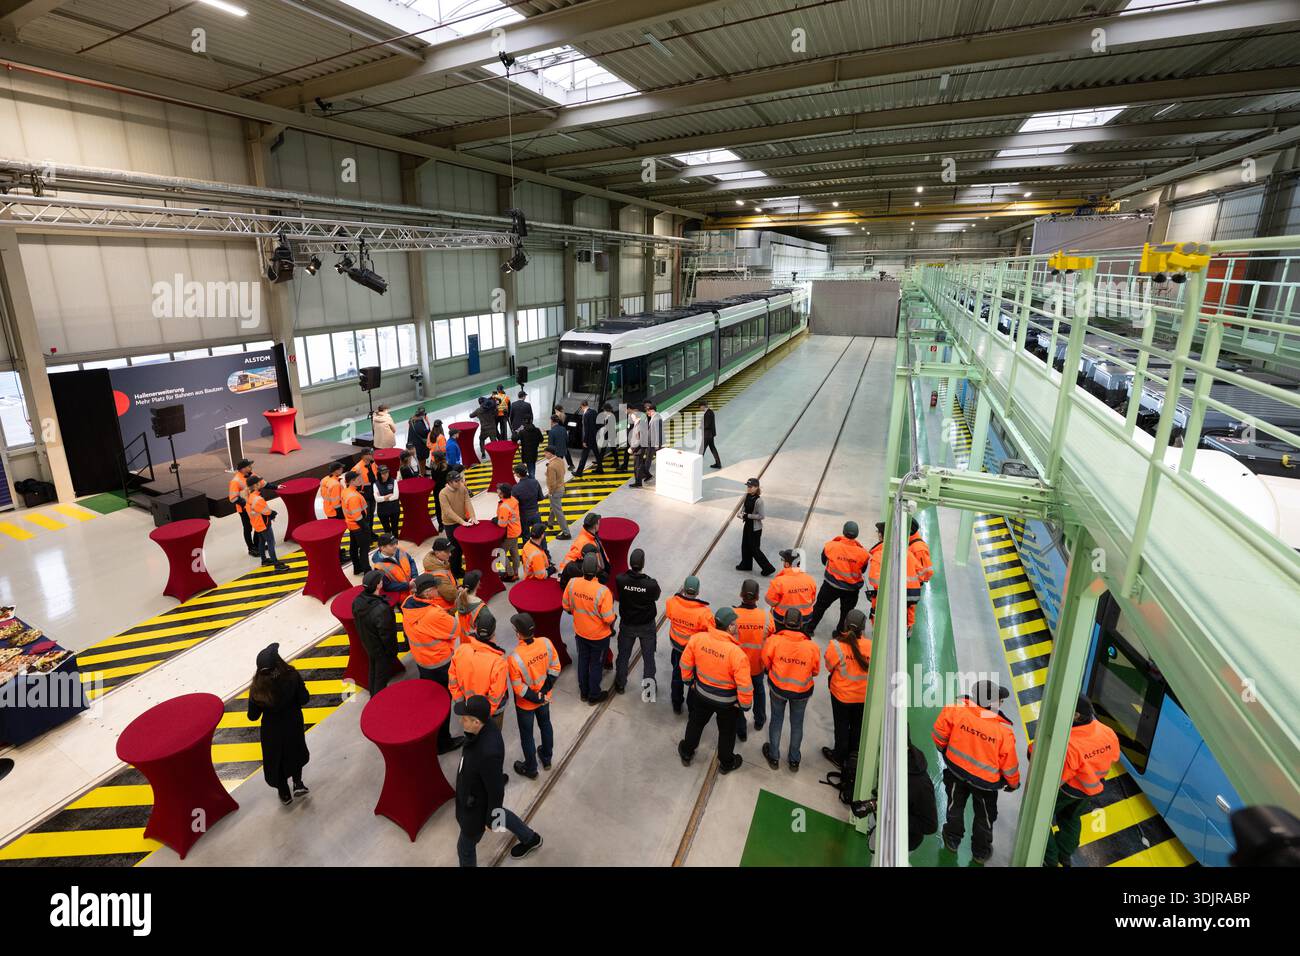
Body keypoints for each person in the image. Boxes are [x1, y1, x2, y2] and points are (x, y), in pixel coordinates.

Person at [932, 680, 1020, 864]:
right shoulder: (1003, 731)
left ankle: (952, 839)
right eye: (999, 700)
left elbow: (939, 734)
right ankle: (980, 851)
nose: (1001, 703)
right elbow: (1009, 765)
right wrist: (1013, 784)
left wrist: (946, 752)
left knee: (955, 806)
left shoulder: (956, 709)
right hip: (985, 785)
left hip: (956, 773)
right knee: (984, 817)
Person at [453, 694, 543, 866]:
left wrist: (490, 820)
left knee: (464, 849)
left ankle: (527, 836)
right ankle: (530, 838)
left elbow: (496, 790)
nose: (460, 722)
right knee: (501, 814)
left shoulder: (488, 752)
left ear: (476, 722)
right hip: (478, 797)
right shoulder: (483, 729)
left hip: (476, 809)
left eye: (465, 719)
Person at [1031, 695, 1120, 867]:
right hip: (1090, 789)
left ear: (1076, 716)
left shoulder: (1070, 744)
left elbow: (1058, 778)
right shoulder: (1107, 732)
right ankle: (1065, 854)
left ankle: (1049, 858)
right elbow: (1114, 756)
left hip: (1067, 790)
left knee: (1040, 818)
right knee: (1071, 818)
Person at [677, 607, 752, 774]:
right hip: (727, 703)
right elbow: (744, 684)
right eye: (734, 624)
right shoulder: (737, 654)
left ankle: (687, 751)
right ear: (730, 627)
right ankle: (726, 762)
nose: (736, 627)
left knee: (695, 723)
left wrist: (689, 681)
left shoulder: (698, 639)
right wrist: (744, 705)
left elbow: (685, 663)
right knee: (727, 733)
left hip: (701, 694)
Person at [403, 574, 464, 753]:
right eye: (435, 588)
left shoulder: (408, 604)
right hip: (440, 664)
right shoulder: (433, 614)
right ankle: (443, 742)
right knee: (444, 702)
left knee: (433, 702)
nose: (438, 590)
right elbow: (455, 629)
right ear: (429, 593)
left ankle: (433, 735)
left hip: (423, 662)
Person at [247, 643, 310, 805]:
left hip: (272, 731)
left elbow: (252, 716)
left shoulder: (257, 689)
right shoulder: (292, 676)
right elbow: (304, 699)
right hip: (293, 723)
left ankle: (284, 793)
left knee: (277, 760)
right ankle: (298, 783)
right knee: (295, 751)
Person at [760, 607, 820, 772]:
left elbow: (765, 661)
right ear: (801, 623)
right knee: (797, 724)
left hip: (778, 689)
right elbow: (815, 671)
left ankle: (773, 756)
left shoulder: (774, 641)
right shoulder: (811, 647)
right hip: (802, 692)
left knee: (777, 720)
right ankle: (794, 760)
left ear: (784, 622)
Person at [507, 612, 560, 779]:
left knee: (527, 735)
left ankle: (531, 768)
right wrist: (543, 693)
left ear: (518, 634)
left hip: (526, 705)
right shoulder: (546, 642)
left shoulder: (514, 657)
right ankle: (547, 757)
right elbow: (555, 668)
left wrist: (535, 697)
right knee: (545, 725)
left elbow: (518, 688)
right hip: (545, 699)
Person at [562, 553, 616, 703]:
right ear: (597, 569)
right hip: (599, 637)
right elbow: (608, 618)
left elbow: (566, 606)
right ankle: (594, 695)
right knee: (596, 665)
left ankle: (584, 692)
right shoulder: (602, 591)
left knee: (583, 661)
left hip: (580, 632)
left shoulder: (572, 583)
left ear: (583, 568)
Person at [822, 608, 871, 769]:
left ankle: (839, 756)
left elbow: (829, 666)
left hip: (841, 696)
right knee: (857, 726)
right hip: (862, 696)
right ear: (863, 628)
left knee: (842, 725)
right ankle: (853, 755)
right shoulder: (871, 647)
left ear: (844, 624)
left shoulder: (836, 646)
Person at [807, 521, 870, 636]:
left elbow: (823, 561)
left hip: (831, 585)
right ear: (856, 535)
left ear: (843, 532)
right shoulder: (863, 554)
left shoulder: (830, 546)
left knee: (820, 607)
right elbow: (863, 570)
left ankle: (809, 629)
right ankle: (840, 633)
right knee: (846, 613)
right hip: (851, 590)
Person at [449, 607, 510, 727]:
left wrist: (461, 702)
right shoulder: (498, 662)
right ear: (493, 633)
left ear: (476, 630)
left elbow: (452, 679)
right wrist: (484, 716)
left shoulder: (461, 650)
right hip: (489, 714)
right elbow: (495, 697)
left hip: (468, 706)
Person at [613, 548, 660, 695]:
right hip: (646, 626)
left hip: (627, 624)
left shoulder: (621, 579)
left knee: (623, 656)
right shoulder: (651, 584)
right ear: (643, 564)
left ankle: (620, 684)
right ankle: (649, 687)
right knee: (648, 658)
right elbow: (656, 596)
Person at [664, 575, 713, 715]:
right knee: (694, 681)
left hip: (677, 649)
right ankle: (692, 708)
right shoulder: (704, 613)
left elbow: (669, 614)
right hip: (693, 653)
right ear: (697, 592)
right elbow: (710, 631)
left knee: (677, 675)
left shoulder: (672, 602)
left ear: (684, 589)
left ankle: (676, 703)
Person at [732, 579, 773, 742]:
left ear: (741, 594)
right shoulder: (766, 617)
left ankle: (741, 730)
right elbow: (771, 639)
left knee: (737, 696)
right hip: (757, 666)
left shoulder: (732, 615)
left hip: (737, 667)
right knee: (759, 691)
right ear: (757, 597)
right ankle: (759, 720)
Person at [866, 521, 924, 630]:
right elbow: (921, 574)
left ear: (881, 535)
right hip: (910, 596)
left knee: (883, 624)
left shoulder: (879, 556)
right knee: (905, 619)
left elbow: (874, 580)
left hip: (886, 598)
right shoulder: (908, 554)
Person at [353, 569, 400, 695]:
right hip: (381, 650)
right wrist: (393, 652)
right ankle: (377, 700)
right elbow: (388, 635)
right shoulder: (382, 610)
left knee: (373, 669)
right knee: (381, 677)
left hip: (369, 644)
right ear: (378, 585)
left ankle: (373, 693)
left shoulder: (358, 601)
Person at [246, 475, 289, 571]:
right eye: (259, 482)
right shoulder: (258, 499)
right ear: (256, 485)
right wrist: (273, 513)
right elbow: (267, 511)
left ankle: (264, 560)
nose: (261, 483)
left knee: (261, 542)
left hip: (256, 524)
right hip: (263, 524)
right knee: (271, 542)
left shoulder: (250, 496)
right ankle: (276, 564)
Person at [439, 469, 475, 578]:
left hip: (463, 521)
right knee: (455, 550)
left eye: (460, 480)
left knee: (465, 547)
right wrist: (462, 522)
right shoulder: (443, 493)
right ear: (449, 482)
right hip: (450, 524)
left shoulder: (462, 488)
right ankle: (455, 572)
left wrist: (473, 516)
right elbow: (448, 511)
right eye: (456, 481)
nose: (459, 483)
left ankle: (463, 570)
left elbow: (467, 501)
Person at [736, 478, 775, 574]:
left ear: (756, 487)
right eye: (747, 486)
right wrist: (740, 513)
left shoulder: (759, 501)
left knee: (754, 549)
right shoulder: (747, 496)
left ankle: (768, 568)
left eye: (750, 487)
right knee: (745, 546)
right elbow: (744, 507)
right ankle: (746, 565)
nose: (748, 488)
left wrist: (747, 515)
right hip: (747, 525)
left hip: (755, 528)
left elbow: (761, 516)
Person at [766, 548, 817, 619]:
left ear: (787, 564)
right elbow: (813, 600)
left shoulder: (779, 581)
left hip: (783, 617)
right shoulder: (810, 580)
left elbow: (770, 601)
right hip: (805, 617)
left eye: (782, 560)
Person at [370, 533, 417, 602]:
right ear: (382, 548)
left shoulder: (400, 550)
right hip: (402, 596)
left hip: (414, 586)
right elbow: (387, 586)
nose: (395, 546)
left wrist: (414, 577)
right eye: (391, 545)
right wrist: (407, 585)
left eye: (396, 543)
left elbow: (411, 561)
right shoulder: (379, 567)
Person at [341, 470, 371, 575]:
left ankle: (357, 568)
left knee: (353, 547)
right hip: (358, 526)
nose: (360, 480)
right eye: (358, 479)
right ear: (352, 481)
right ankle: (367, 570)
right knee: (364, 549)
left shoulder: (346, 491)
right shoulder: (353, 496)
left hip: (351, 525)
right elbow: (358, 517)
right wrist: (366, 528)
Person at [319, 460, 348, 562]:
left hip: (328, 509)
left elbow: (324, 495)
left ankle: (337, 552)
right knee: (337, 535)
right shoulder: (335, 484)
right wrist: (341, 515)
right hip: (336, 512)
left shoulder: (325, 480)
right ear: (336, 471)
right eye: (340, 468)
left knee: (334, 535)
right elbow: (336, 503)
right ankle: (339, 556)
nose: (342, 469)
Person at [419, 537, 460, 608]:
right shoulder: (437, 575)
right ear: (437, 553)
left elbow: (449, 576)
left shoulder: (441, 562)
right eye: (447, 552)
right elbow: (451, 596)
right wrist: (461, 592)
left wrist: (457, 585)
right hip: (446, 608)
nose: (450, 554)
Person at [228, 457, 256, 556]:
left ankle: (257, 545)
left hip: (255, 506)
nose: (251, 467)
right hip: (244, 509)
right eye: (249, 466)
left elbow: (261, 483)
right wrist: (247, 504)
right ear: (243, 469)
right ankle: (251, 548)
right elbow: (233, 498)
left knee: (258, 525)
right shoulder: (235, 481)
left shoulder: (252, 475)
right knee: (248, 528)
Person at [495, 483, 522, 582]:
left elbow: (502, 524)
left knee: (500, 553)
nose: (497, 493)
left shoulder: (504, 507)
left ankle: (510, 574)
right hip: (516, 530)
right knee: (514, 552)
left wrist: (496, 520)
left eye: (498, 492)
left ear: (502, 494)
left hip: (509, 533)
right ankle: (516, 572)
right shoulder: (513, 500)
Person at [544, 447, 571, 540]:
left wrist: (550, 492)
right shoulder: (560, 460)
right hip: (561, 487)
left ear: (550, 454)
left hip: (555, 490)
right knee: (554, 507)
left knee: (558, 512)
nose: (545, 455)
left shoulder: (551, 466)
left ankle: (566, 533)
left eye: (546, 453)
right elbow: (563, 472)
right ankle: (550, 523)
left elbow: (552, 482)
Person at [511, 463, 543, 544]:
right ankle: (546, 553)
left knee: (526, 536)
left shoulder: (515, 488)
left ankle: (528, 554)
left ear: (518, 474)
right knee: (540, 534)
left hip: (524, 516)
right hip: (536, 513)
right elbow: (541, 497)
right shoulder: (535, 482)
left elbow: (514, 505)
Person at [455, 569, 488, 640]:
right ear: (478, 584)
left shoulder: (460, 598)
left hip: (466, 641)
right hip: (478, 643)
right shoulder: (480, 606)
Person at [573, 400, 600, 477]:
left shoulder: (586, 414)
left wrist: (584, 441)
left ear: (582, 406)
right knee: (596, 453)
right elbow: (597, 424)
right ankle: (600, 469)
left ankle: (579, 472)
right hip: (593, 436)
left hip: (588, 438)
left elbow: (586, 429)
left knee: (584, 456)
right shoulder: (594, 411)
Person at [372, 463, 401, 538]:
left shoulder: (394, 481)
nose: (386, 475)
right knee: (387, 529)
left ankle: (396, 544)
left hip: (394, 509)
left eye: (387, 472)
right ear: (379, 474)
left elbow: (396, 496)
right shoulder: (376, 484)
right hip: (383, 511)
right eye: (383, 473)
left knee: (395, 528)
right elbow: (377, 499)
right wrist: (387, 496)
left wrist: (383, 498)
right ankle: (389, 544)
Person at [908, 517, 935, 589]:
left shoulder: (918, 548)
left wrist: (915, 583)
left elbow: (926, 572)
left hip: (913, 585)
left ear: (909, 531)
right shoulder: (911, 543)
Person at [627, 407, 650, 488]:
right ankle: (643, 478)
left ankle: (638, 482)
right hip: (638, 448)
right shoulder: (638, 424)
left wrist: (632, 448)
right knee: (638, 465)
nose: (631, 417)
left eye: (632, 416)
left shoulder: (640, 425)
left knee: (637, 467)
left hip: (639, 449)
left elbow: (639, 439)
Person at [428, 449, 450, 529]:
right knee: (448, 505)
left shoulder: (434, 467)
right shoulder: (447, 466)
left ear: (437, 458)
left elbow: (433, 479)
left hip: (437, 490)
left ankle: (440, 524)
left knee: (438, 507)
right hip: (446, 489)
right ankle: (449, 520)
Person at [408, 407, 431, 475]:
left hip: (412, 444)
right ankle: (422, 475)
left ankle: (422, 472)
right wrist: (427, 422)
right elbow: (427, 433)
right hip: (419, 446)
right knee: (421, 461)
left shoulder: (412, 420)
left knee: (417, 461)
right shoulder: (420, 424)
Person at [356, 451, 376, 528]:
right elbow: (349, 481)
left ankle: (371, 532)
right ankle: (367, 534)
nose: (372, 455)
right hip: (364, 494)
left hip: (372, 492)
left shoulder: (372, 464)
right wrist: (358, 491)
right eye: (369, 454)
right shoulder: (358, 467)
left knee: (371, 514)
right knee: (366, 515)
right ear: (363, 456)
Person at [698, 401, 721, 469]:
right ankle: (718, 463)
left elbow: (707, 425)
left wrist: (701, 426)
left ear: (703, 406)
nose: (700, 409)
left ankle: (697, 466)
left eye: (700, 407)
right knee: (713, 448)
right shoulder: (710, 412)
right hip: (710, 434)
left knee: (701, 450)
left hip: (707, 435)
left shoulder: (708, 413)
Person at [644, 401, 663, 480]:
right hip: (652, 442)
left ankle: (646, 473)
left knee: (648, 458)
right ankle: (646, 473)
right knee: (649, 458)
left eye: (647, 411)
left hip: (653, 443)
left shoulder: (655, 419)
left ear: (651, 410)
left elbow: (657, 432)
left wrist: (656, 445)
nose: (646, 413)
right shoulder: (655, 417)